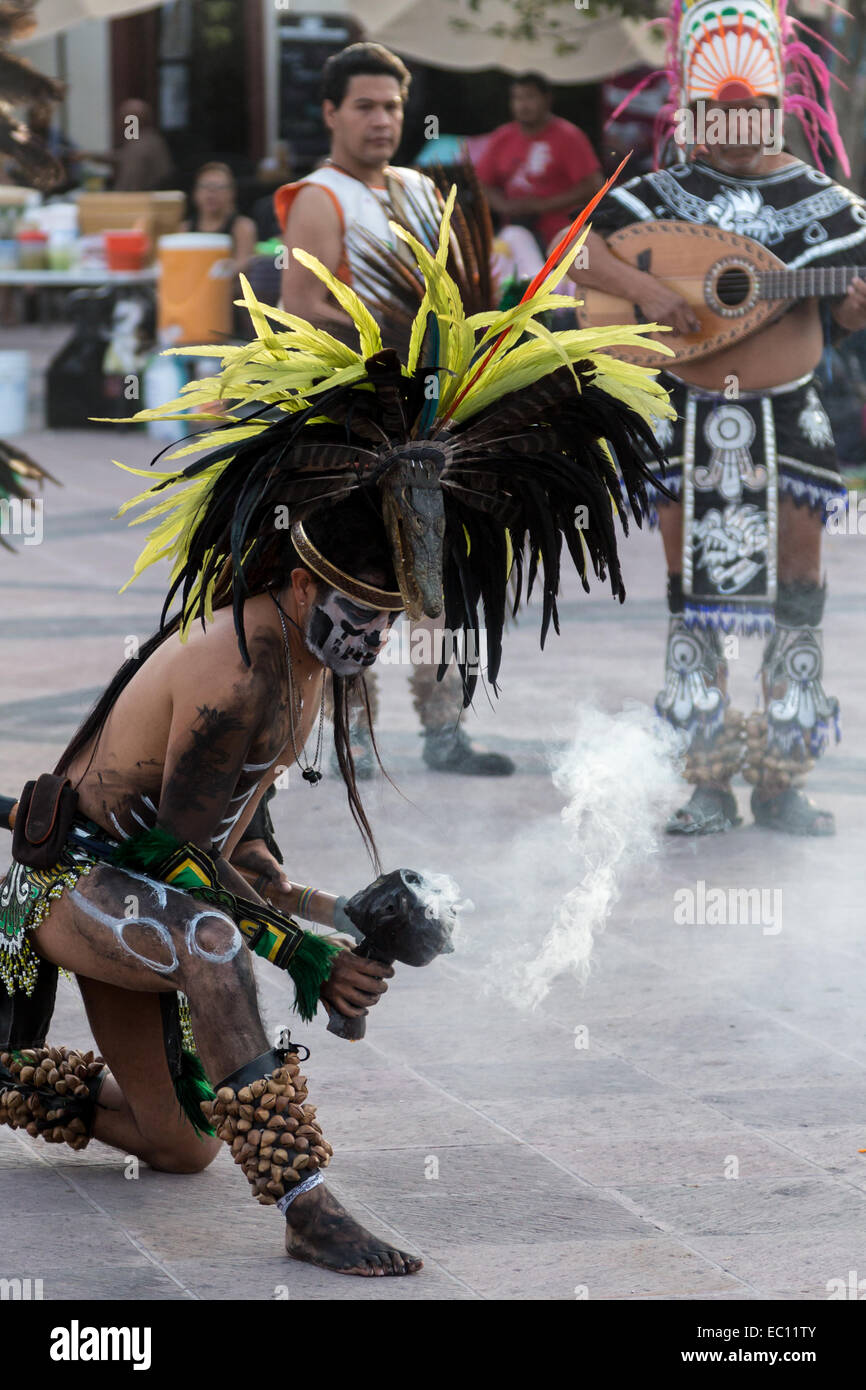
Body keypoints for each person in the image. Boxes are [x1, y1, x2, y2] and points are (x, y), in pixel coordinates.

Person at [0, 210, 672, 1276]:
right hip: (76, 884)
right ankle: (308, 1207)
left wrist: (343, 912)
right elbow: (177, 870)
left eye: (388, 615)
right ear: (301, 579)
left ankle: (10, 1080)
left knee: (180, 1150)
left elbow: (235, 848)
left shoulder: (310, 665)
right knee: (215, 949)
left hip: (140, 889)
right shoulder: (244, 675)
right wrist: (303, 948)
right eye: (354, 608)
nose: (370, 634)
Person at [567, 0, 866, 837]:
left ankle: (783, 776)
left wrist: (849, 312)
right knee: (690, 594)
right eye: (716, 113)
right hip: (686, 407)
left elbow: (838, 318)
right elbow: (578, 253)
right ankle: (705, 778)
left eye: (748, 111)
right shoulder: (659, 193)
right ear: (695, 111)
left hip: (791, 411)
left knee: (800, 586)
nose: (732, 128)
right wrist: (652, 293)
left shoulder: (827, 204)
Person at [276, 41, 514, 777]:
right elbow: (302, 307)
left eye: (393, 107)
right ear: (330, 114)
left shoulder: (415, 187)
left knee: (437, 570)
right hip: (354, 415)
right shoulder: (321, 197)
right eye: (366, 107)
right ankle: (354, 740)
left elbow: (453, 287)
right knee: (358, 575)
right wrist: (394, 333)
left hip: (429, 414)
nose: (382, 121)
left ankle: (445, 733)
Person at [476, 72, 603, 254]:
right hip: (514, 232)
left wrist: (542, 205)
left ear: (547, 99)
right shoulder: (502, 137)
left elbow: (593, 185)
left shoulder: (569, 136)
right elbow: (482, 183)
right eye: (517, 98)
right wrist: (504, 206)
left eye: (530, 97)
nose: (523, 105)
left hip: (562, 236)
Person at [79, 99, 174, 192]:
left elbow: (129, 187)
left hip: (140, 201)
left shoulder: (140, 146)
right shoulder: (149, 138)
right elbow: (121, 156)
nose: (118, 122)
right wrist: (89, 155)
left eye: (122, 118)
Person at [182, 161, 257, 274]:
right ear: (195, 193)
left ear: (231, 193)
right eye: (205, 187)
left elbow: (245, 263)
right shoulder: (184, 228)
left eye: (219, 187)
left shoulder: (242, 227)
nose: (211, 193)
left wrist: (225, 270)